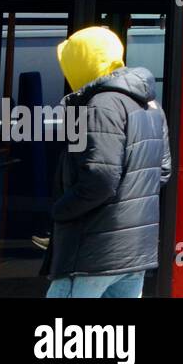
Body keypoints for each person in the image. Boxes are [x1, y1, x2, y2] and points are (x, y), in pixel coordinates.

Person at [46, 28, 172, 298]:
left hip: (94, 251)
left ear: (83, 62)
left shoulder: (101, 105)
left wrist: (60, 210)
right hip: (135, 252)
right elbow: (162, 172)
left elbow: (100, 180)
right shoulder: (151, 105)